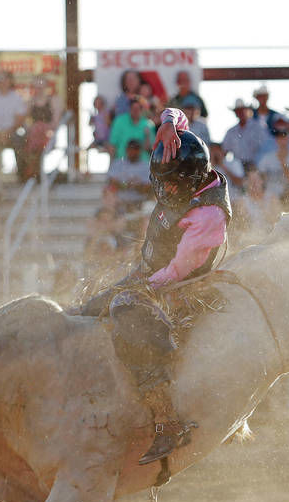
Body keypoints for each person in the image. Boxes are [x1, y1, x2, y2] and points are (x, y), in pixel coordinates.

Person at [75, 108, 231, 468]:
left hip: (184, 283)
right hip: (153, 270)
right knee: (86, 309)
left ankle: (167, 420)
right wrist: (166, 123)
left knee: (127, 315)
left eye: (173, 182)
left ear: (192, 180)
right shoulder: (189, 158)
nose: (166, 188)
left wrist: (140, 286)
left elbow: (179, 269)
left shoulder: (208, 216)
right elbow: (177, 120)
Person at [223, 98, 267, 171]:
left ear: (247, 111)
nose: (240, 113)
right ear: (235, 113)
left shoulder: (258, 128)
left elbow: (264, 147)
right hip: (237, 167)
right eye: (238, 111)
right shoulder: (231, 132)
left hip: (256, 165)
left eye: (242, 110)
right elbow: (224, 151)